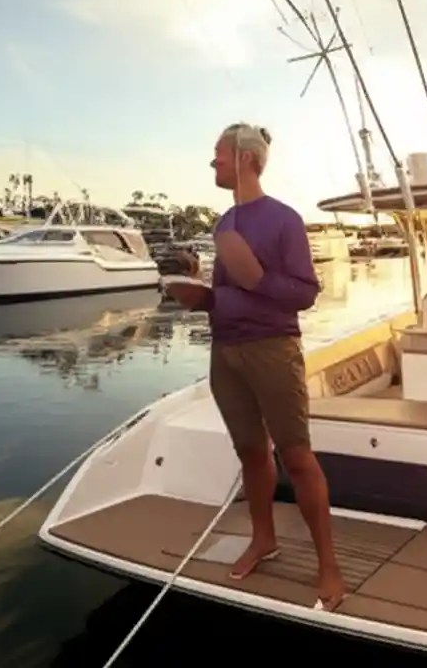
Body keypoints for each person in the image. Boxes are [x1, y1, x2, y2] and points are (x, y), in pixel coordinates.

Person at [164, 122, 345, 611]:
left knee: (298, 456)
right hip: (225, 352)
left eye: (218, 154)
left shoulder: (284, 219)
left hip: (272, 350)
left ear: (244, 158)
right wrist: (200, 297)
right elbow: (229, 295)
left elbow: (304, 294)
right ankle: (263, 540)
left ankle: (328, 565)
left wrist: (258, 278)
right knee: (250, 452)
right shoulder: (224, 224)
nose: (213, 163)